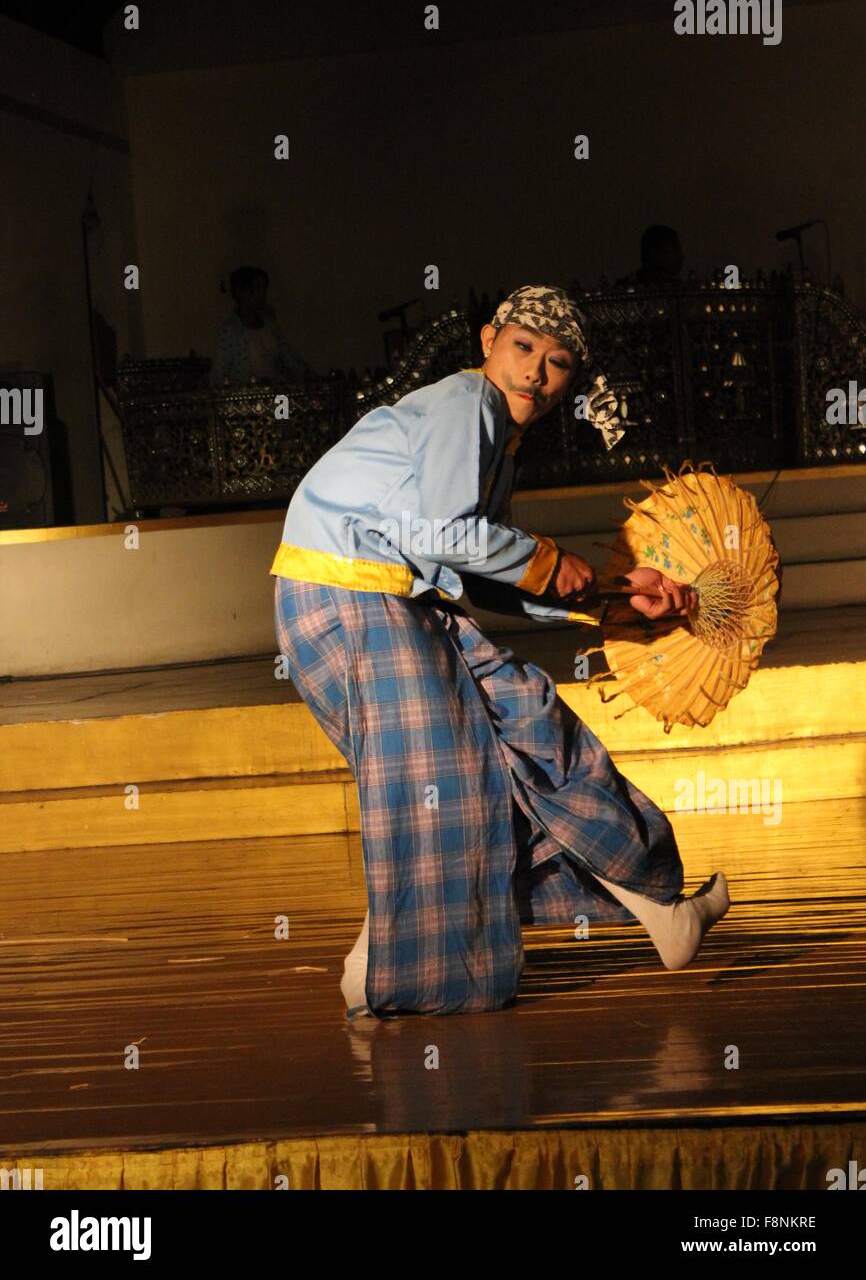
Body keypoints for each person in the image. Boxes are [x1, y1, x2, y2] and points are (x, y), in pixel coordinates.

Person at [270, 284, 729, 1020]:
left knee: (526, 721)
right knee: (444, 780)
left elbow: (481, 569)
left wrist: (610, 596)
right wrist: (550, 562)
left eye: (557, 365)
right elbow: (447, 537)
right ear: (488, 342)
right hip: (346, 595)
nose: (534, 375)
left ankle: (655, 908)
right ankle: (388, 973)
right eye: (522, 349)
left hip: (396, 599)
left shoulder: (497, 445)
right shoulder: (466, 404)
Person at [209, 266, 311, 387]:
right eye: (257, 288)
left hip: (274, 395)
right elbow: (219, 371)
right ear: (242, 292)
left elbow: (287, 355)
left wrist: (308, 375)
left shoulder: (270, 325)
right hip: (245, 398)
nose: (262, 294)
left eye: (263, 288)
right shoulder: (231, 331)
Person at [616, 225, 685, 289]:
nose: (681, 256)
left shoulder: (677, 288)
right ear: (655, 254)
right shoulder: (627, 288)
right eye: (675, 249)